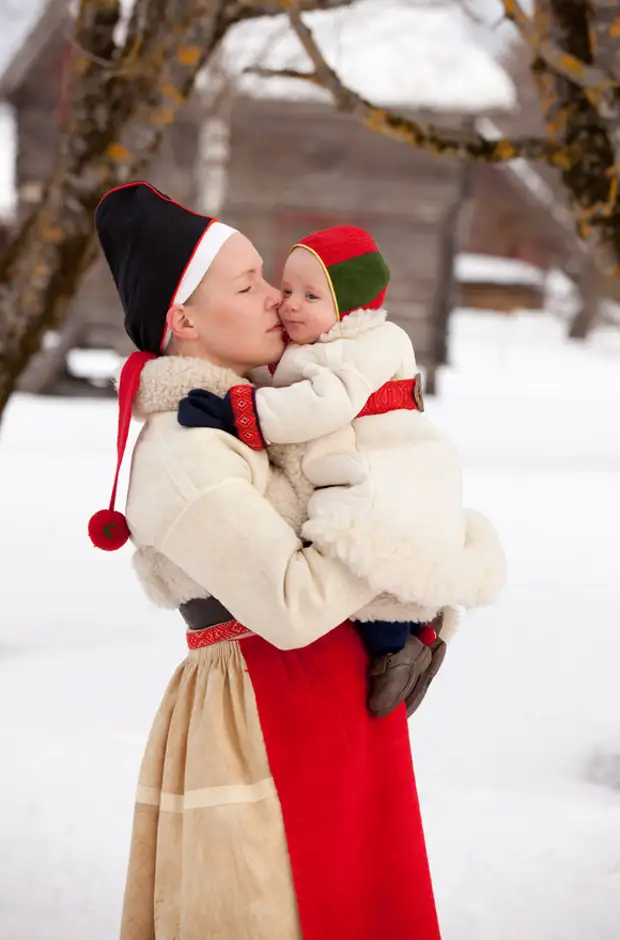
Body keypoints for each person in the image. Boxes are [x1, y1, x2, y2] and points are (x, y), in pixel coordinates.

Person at [87, 181, 442, 940]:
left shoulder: (265, 418)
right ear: (182, 318)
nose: (280, 299)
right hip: (265, 713)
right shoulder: (186, 450)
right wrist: (405, 527)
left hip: (335, 709)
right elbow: (290, 605)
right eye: (250, 285)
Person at [177, 224, 506, 717]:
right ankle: (413, 639)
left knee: (369, 565)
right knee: (360, 566)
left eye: (310, 295)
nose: (289, 304)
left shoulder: (366, 344)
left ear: (349, 306)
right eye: (288, 290)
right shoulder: (316, 344)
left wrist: (242, 411)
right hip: (359, 466)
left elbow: (325, 403)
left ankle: (404, 647)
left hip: (387, 472)